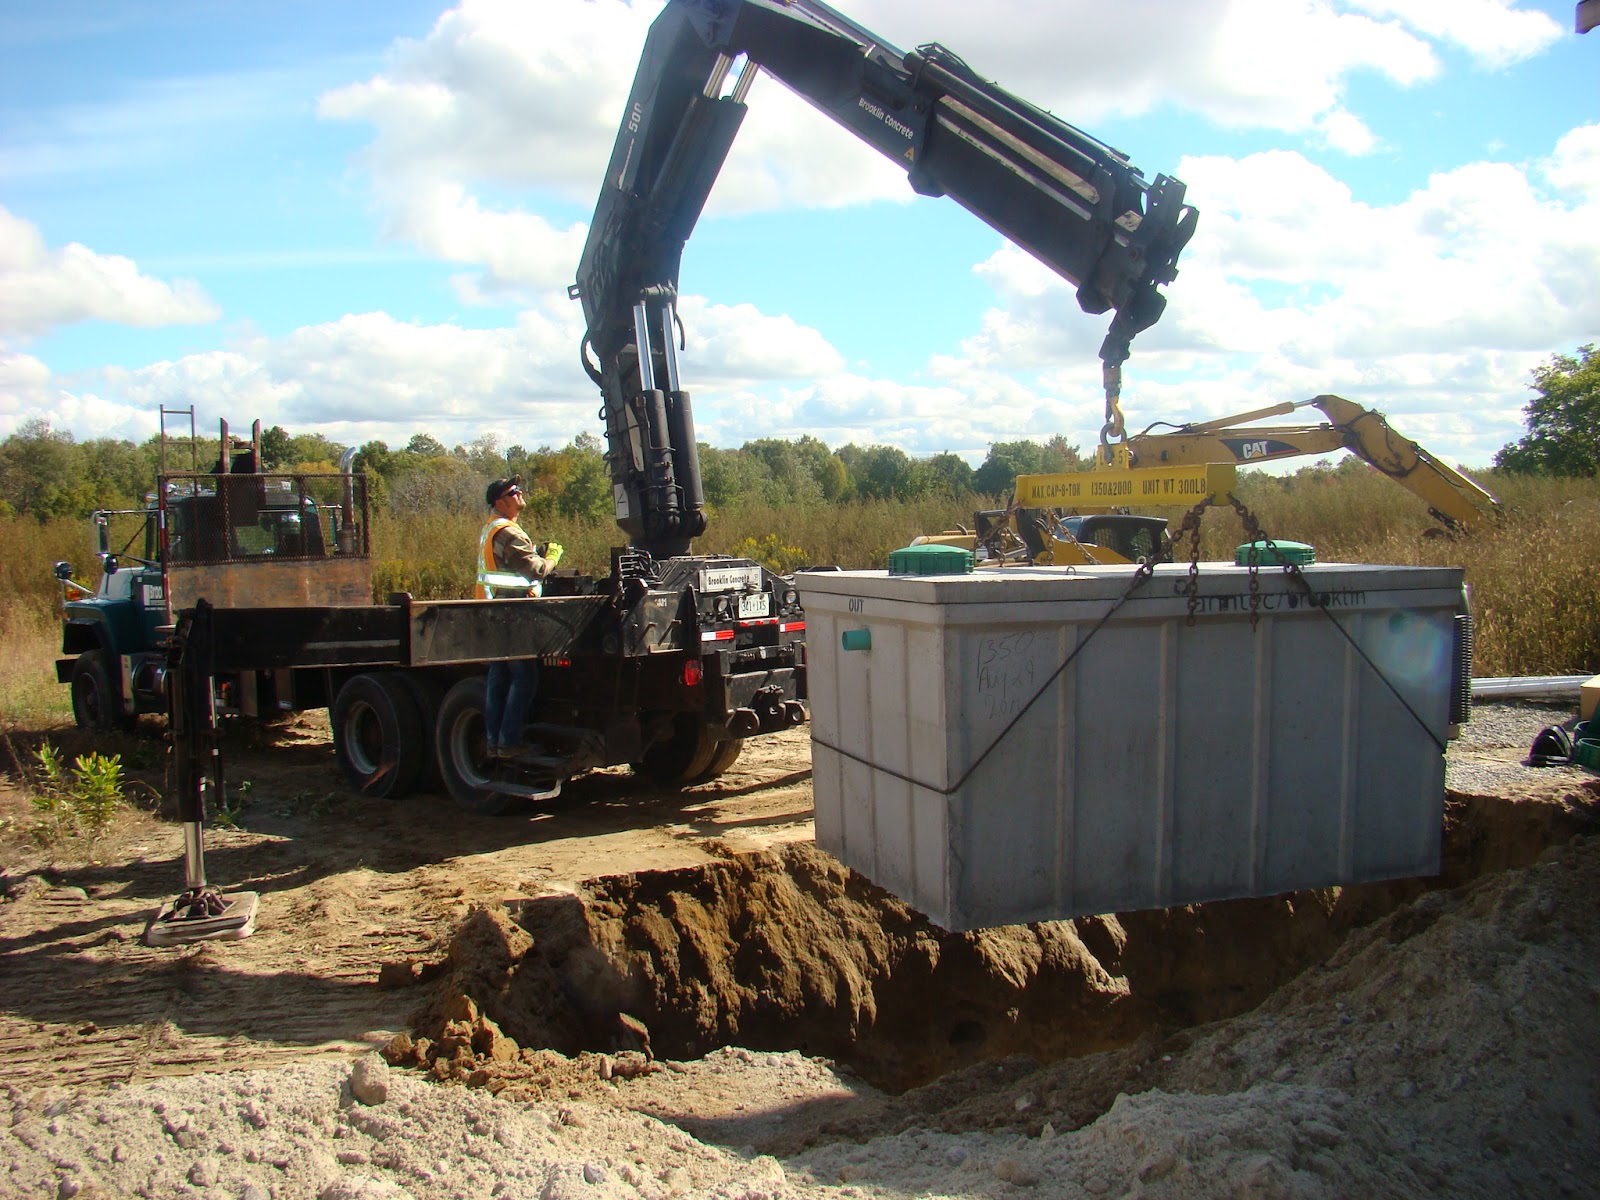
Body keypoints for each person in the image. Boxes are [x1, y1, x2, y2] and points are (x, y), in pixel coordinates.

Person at [477, 476, 563, 757]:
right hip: (512, 615)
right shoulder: (507, 532)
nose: (520, 493)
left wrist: (536, 553)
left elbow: (511, 564)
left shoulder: (494, 528)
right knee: (524, 678)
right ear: (500, 502)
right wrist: (552, 558)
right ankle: (509, 741)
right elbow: (535, 570)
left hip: (496, 611)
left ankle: (495, 741)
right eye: (513, 492)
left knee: (499, 678)